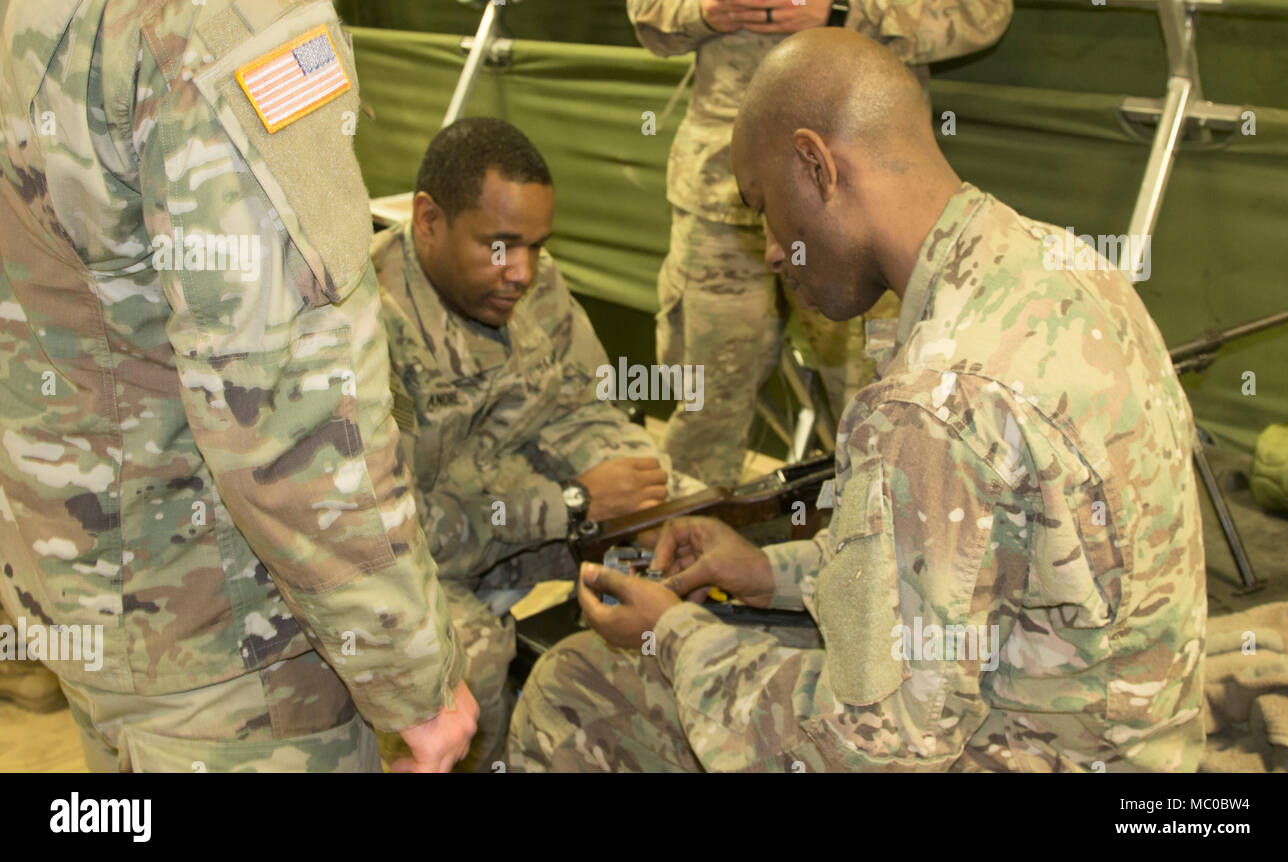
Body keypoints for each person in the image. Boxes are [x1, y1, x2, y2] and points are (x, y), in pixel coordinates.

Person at [508, 28, 1207, 772]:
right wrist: (768, 573)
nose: (774, 249)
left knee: (577, 686)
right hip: (1128, 750)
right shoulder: (1068, 269)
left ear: (816, 165)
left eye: (765, 206)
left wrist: (677, 633)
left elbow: (875, 749)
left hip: (1019, 749)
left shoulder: (931, 400)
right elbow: (969, 572)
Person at [0, 0, 475, 772]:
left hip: (87, 592)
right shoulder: (229, 19)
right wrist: (412, 673)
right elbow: (283, 390)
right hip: (231, 640)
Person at [373, 117, 704, 771]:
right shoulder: (367, 327)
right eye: (500, 246)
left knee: (683, 541)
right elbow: (395, 534)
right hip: (420, 566)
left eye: (537, 246)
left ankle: (613, 733)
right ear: (429, 219)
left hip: (523, 517)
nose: (522, 272)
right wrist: (572, 501)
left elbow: (582, 404)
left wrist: (639, 486)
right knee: (469, 675)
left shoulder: (530, 282)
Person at [628, 0, 1014, 485]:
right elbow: (646, 16)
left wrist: (843, 11)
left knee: (883, 417)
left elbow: (981, 14)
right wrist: (705, 11)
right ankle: (691, 550)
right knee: (703, 411)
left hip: (856, 202)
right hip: (719, 196)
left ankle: (857, 550)